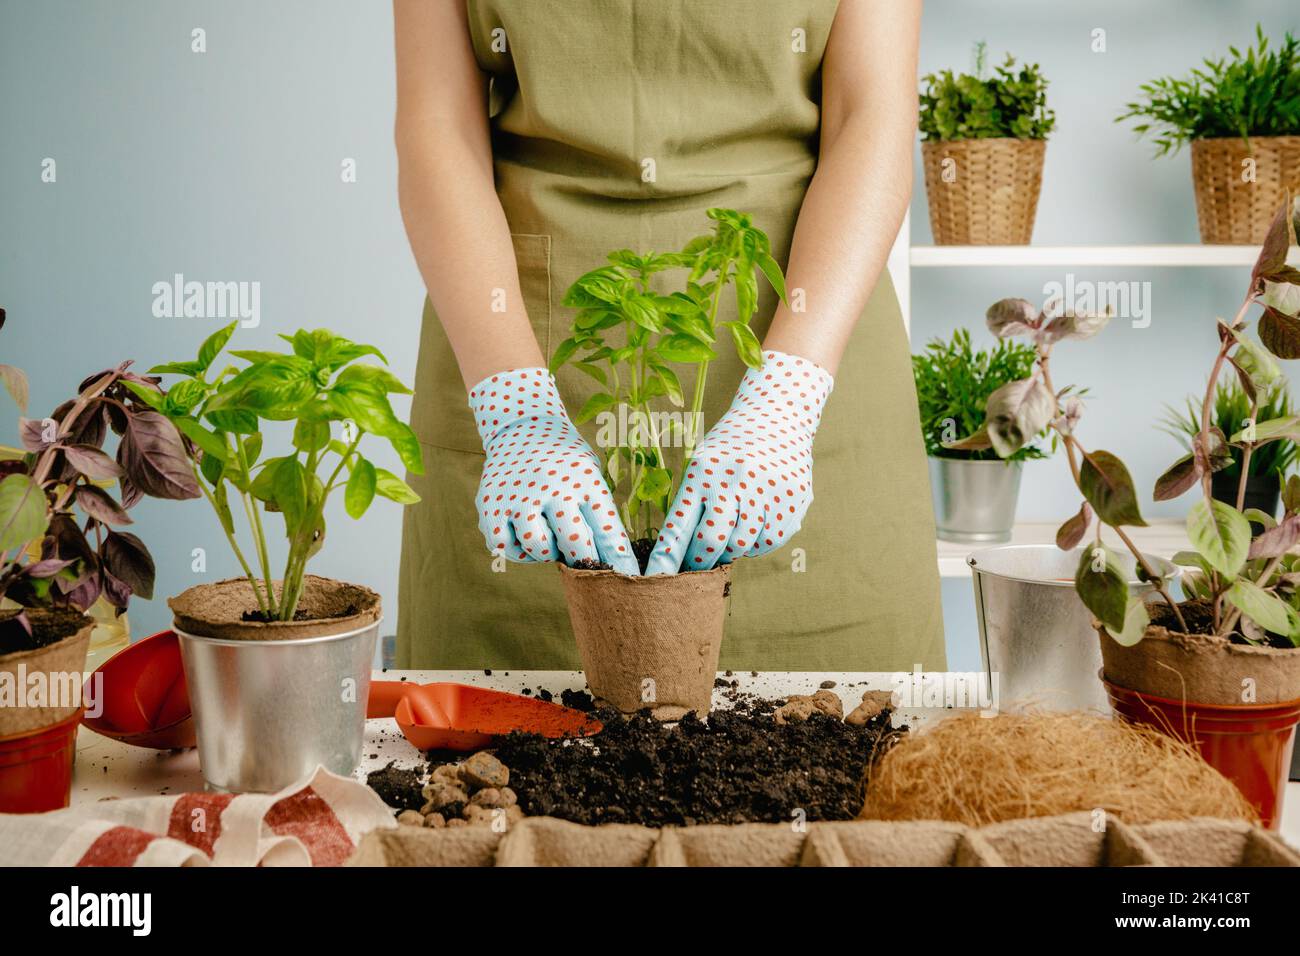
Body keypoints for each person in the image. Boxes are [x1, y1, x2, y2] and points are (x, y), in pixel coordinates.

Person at [392, 0, 945, 672]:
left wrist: (788, 397)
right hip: (515, 336)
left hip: (807, 331)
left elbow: (873, 116)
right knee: (503, 750)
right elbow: (435, 123)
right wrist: (514, 410)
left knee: (852, 747)